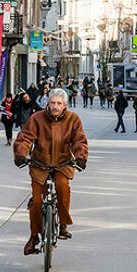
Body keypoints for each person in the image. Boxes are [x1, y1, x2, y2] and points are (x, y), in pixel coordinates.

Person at [13, 89, 88, 255]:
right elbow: (25, 137)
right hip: (40, 164)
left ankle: (62, 224)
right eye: (53, 103)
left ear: (65, 105)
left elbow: (79, 139)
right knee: (37, 201)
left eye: (59, 103)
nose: (55, 106)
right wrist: (20, 154)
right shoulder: (37, 118)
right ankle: (34, 237)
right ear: (48, 103)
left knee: (62, 187)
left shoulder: (73, 119)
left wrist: (80, 157)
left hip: (62, 163)